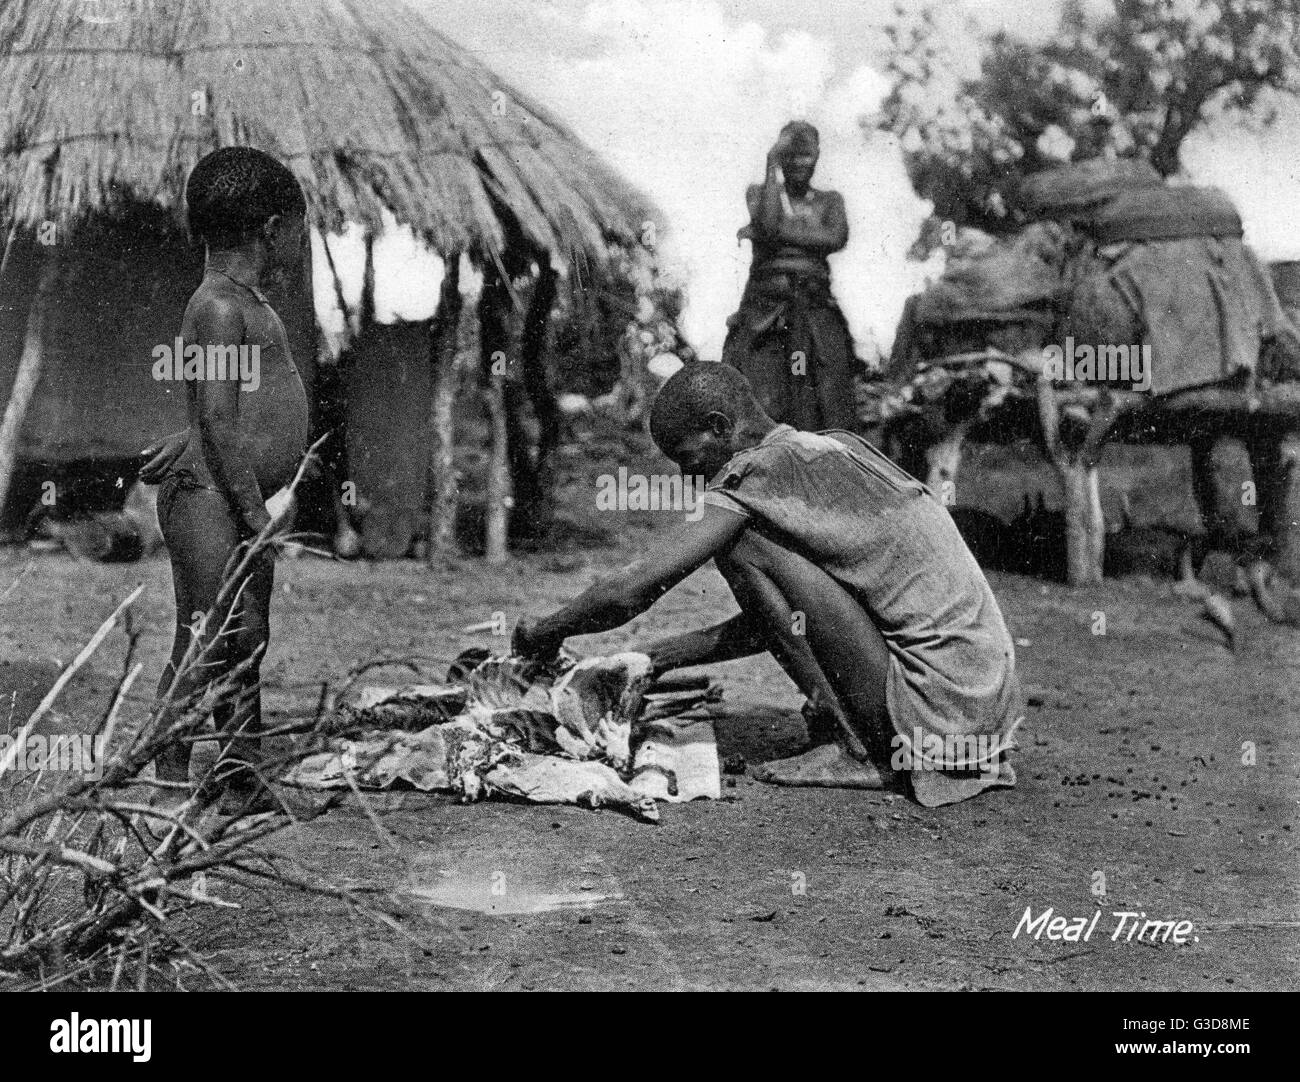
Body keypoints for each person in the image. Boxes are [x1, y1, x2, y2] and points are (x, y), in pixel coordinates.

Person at [513, 363, 1022, 806]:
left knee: (737, 543)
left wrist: (544, 632)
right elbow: (786, 621)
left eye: (690, 459)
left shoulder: (758, 472)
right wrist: (650, 659)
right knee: (746, 544)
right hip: (977, 716)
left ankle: (859, 749)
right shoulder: (831, 448)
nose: (693, 477)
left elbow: (631, 590)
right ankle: (862, 739)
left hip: (936, 712)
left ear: (719, 427)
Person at [150, 146, 309, 813]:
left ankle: (242, 771)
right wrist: (252, 510)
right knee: (206, 638)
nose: (300, 240)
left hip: (235, 495)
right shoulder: (219, 306)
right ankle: (162, 782)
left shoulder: (243, 302)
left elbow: (222, 410)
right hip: (212, 500)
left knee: (248, 637)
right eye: (299, 227)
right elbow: (216, 419)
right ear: (272, 228)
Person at [722, 121, 857, 432]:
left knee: (825, 390)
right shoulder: (760, 193)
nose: (798, 163)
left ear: (818, 156)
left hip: (813, 308)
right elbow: (769, 227)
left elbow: (835, 238)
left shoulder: (830, 201)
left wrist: (777, 234)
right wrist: (770, 167)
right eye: (789, 155)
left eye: (806, 155)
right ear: (779, 156)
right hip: (765, 310)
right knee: (760, 391)